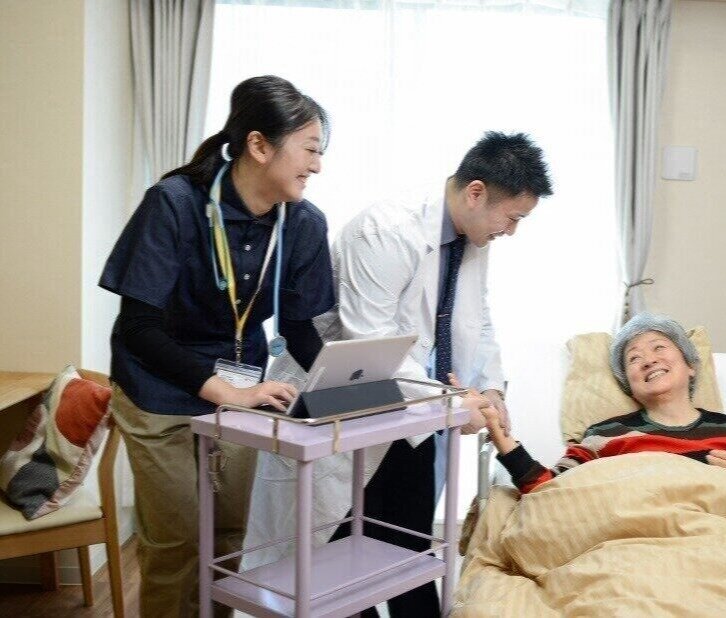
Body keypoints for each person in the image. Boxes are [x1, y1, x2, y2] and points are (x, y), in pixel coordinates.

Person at [98, 75, 335, 617]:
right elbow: (139, 327)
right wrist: (225, 392)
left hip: (239, 390)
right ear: (259, 145)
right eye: (310, 150)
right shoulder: (174, 204)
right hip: (157, 388)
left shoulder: (303, 224)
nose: (317, 166)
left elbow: (299, 328)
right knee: (177, 542)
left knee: (228, 538)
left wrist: (350, 384)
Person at [316, 131, 553, 616]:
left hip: (415, 412)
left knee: (408, 547)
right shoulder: (385, 231)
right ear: (476, 193)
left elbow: (477, 319)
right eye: (512, 218)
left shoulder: (472, 238)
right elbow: (369, 340)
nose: (511, 231)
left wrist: (490, 387)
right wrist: (452, 402)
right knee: (343, 551)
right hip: (350, 401)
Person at [473, 312, 726, 494]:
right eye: (634, 358)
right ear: (629, 386)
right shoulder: (604, 437)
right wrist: (500, 436)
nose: (648, 360)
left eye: (659, 347)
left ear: (690, 365)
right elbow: (549, 491)